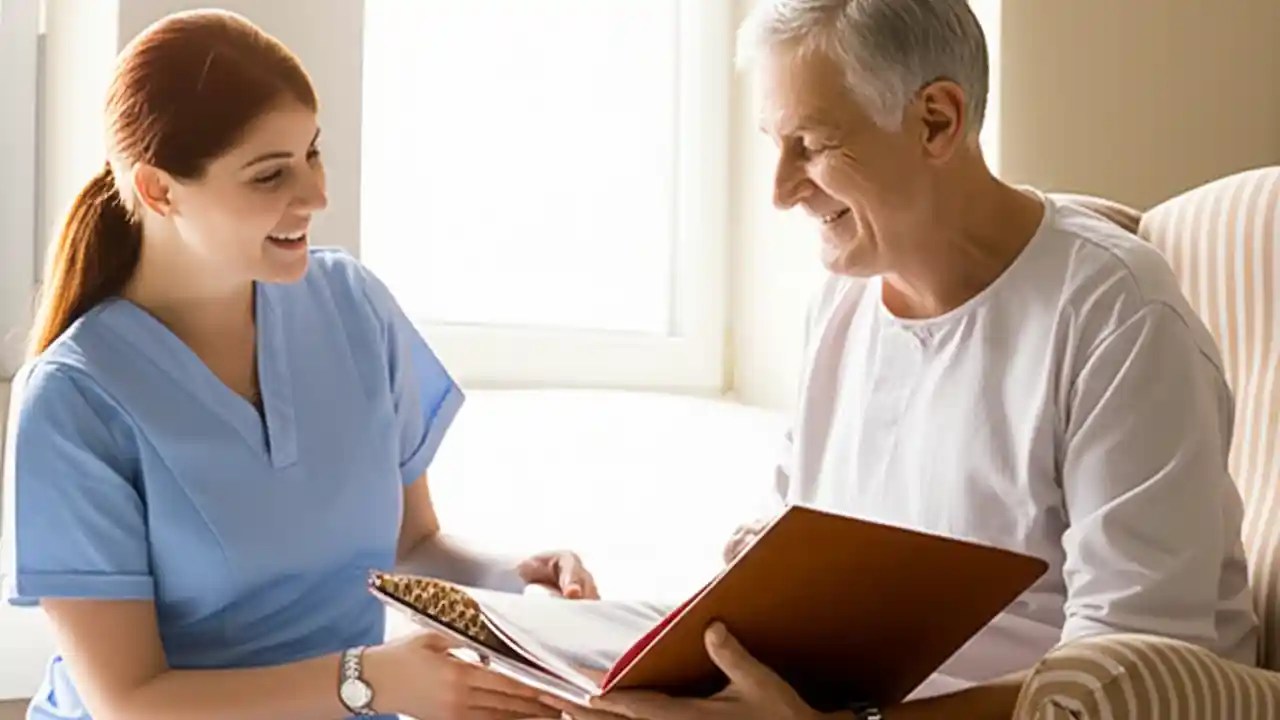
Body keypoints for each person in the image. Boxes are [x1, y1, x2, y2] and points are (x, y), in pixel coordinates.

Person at [548, 1, 1258, 719]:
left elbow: (1128, 675)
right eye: (775, 142)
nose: (781, 190)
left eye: (813, 144)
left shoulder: (1117, 313)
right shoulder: (843, 306)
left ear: (936, 122)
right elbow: (792, 550)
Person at [0, 10, 594, 720]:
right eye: (269, 174)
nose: (316, 195)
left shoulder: (354, 307)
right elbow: (130, 702)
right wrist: (367, 680)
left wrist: (509, 578)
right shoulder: (75, 401)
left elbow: (410, 541)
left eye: (312, 154)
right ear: (159, 190)